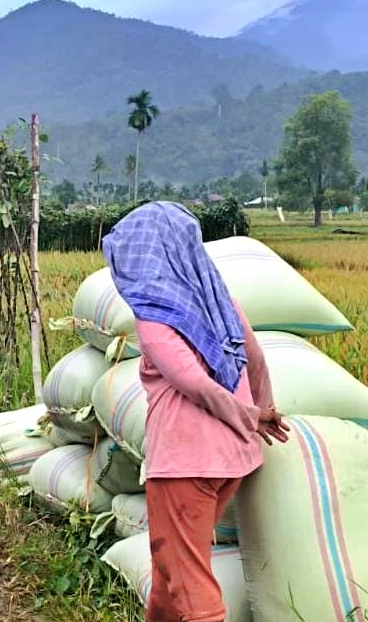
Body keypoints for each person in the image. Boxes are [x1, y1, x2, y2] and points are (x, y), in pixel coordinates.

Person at [101, 201, 290, 622]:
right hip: (231, 459)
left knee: (189, 583)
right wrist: (261, 410)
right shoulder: (218, 299)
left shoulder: (155, 313)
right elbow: (255, 358)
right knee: (171, 569)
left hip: (185, 462)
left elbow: (190, 380)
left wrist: (247, 415)